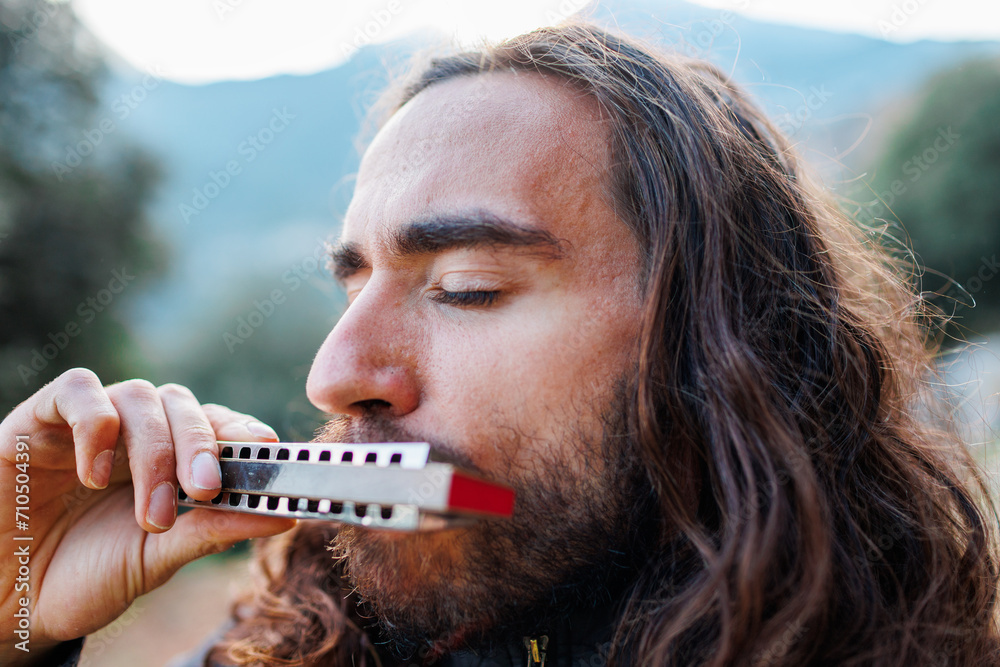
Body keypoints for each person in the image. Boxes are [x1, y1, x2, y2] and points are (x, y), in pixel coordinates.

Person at [2, 22, 999, 667]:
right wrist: (15, 609)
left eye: (467, 288)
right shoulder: (282, 644)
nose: (336, 372)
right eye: (352, 284)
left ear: (718, 342)